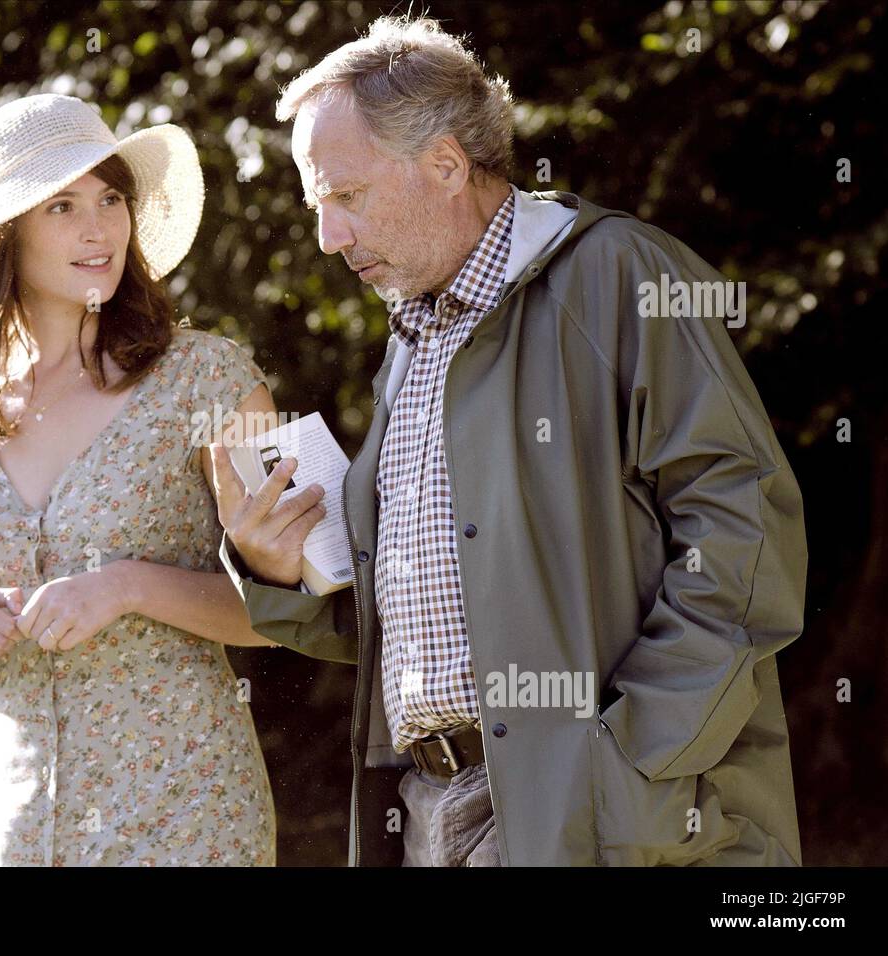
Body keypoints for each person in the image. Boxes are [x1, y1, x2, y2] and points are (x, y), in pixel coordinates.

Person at [211, 14, 807, 867]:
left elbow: (746, 539)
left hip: (595, 812)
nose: (327, 237)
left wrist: (624, 760)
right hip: (425, 812)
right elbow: (433, 614)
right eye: (317, 205)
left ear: (447, 164)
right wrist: (281, 575)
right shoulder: (413, 334)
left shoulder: (622, 275)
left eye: (345, 197)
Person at [0, 93, 282, 866]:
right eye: (63, 206)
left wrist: (130, 585)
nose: (98, 227)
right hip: (17, 822)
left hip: (188, 813)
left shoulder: (209, 380)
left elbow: (295, 607)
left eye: (111, 198)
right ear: (4, 238)